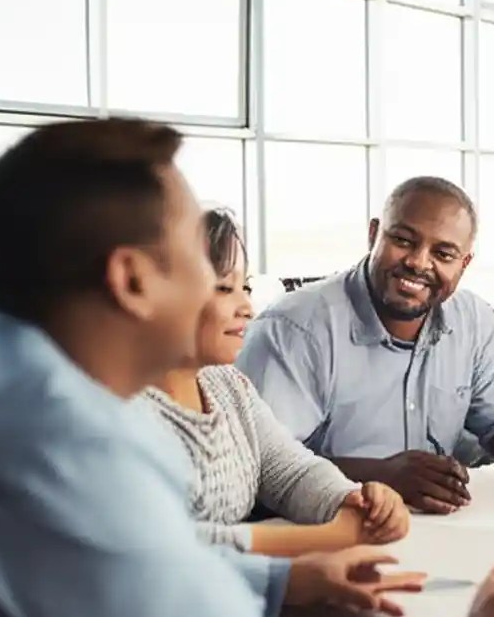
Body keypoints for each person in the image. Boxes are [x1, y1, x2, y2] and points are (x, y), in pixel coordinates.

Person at [0, 119, 424, 617]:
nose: (223, 290)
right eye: (196, 255)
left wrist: (278, 583)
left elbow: (152, 555)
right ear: (132, 279)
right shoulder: (72, 445)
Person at [237, 176, 494, 515]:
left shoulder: (472, 321)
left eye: (444, 253)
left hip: (434, 535)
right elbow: (256, 466)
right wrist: (381, 476)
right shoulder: (296, 329)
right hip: (316, 541)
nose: (419, 262)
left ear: (464, 264)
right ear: (374, 234)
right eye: (403, 241)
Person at [143, 208, 410, 556]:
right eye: (225, 288)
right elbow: (165, 543)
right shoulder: (122, 406)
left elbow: (292, 472)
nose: (247, 308)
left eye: (247, 287)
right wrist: (330, 538)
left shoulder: (228, 386)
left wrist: (355, 502)